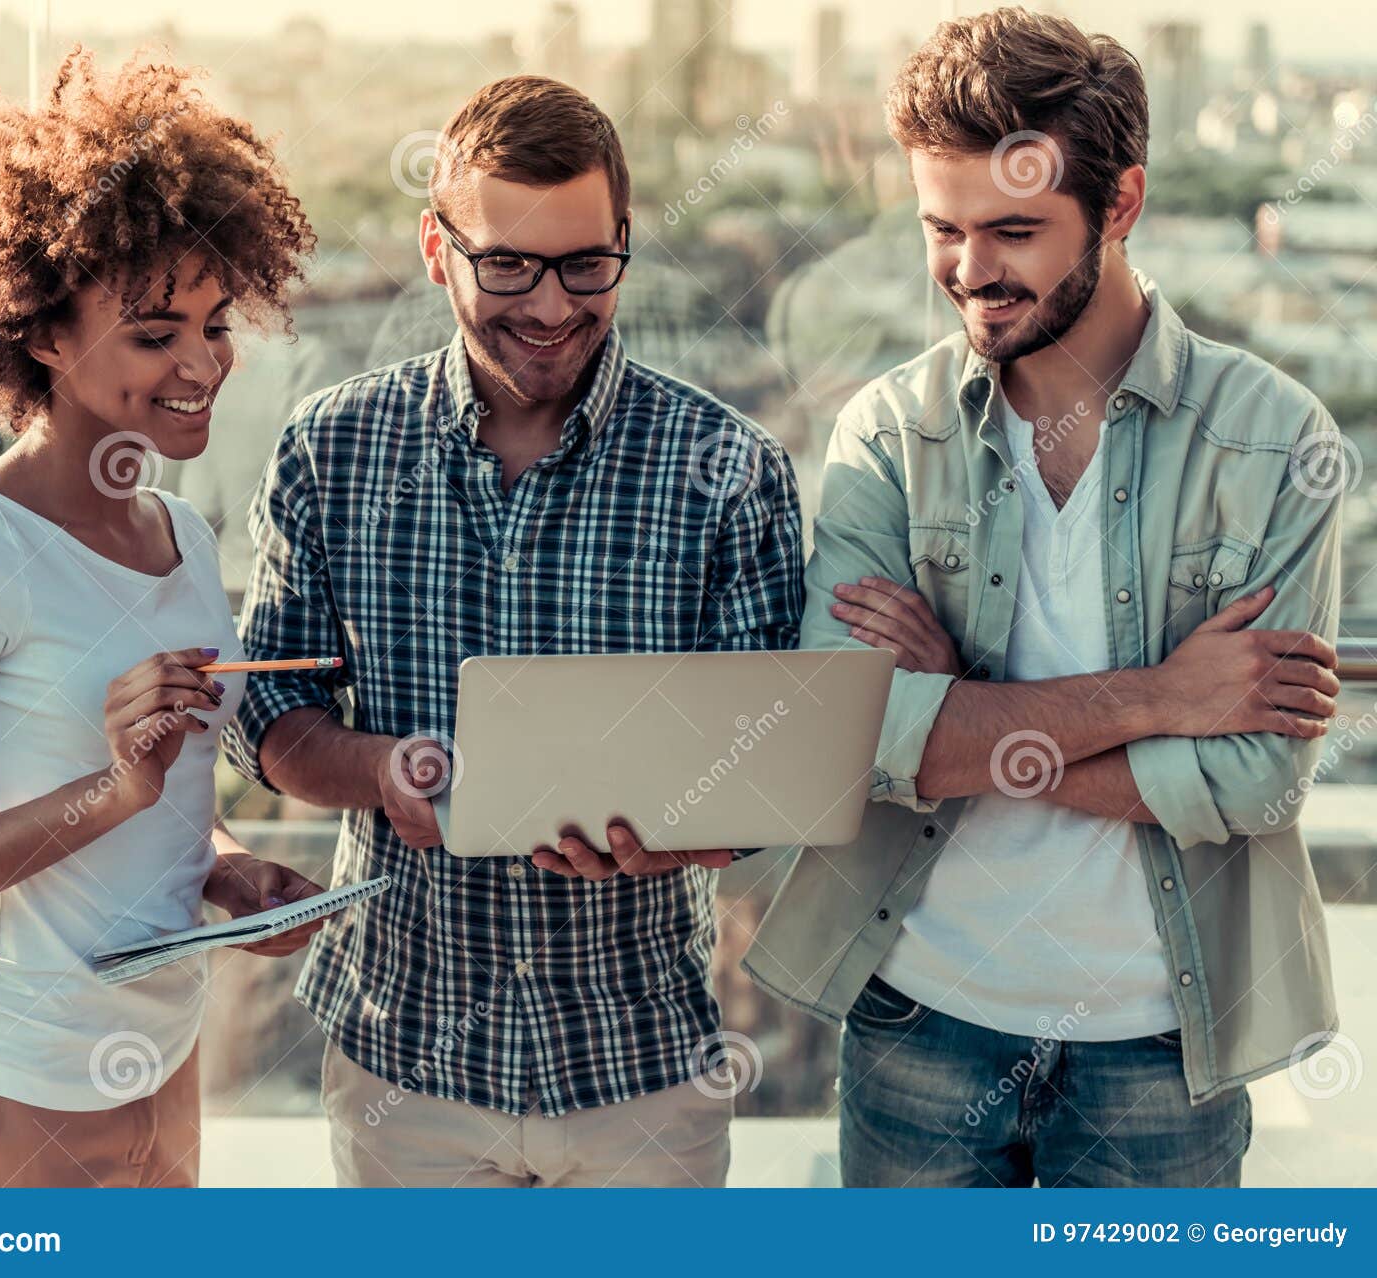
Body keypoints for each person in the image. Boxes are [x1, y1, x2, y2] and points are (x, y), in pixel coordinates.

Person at [744, 7, 1344, 1188]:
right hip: (918, 1018)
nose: (969, 273)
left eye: (1013, 231)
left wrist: (956, 719)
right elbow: (843, 733)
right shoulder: (887, 434)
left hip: (1161, 1049)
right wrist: (1164, 697)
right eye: (942, 228)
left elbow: (1254, 778)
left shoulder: (1275, 442)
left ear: (1118, 205)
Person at [220, 75, 803, 1188]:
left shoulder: (730, 469)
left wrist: (671, 837)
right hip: (406, 1059)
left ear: (625, 243)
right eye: (507, 266)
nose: (548, 306)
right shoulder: (329, 451)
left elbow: (767, 774)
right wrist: (384, 770)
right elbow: (271, 718)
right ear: (437, 250)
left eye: (587, 265)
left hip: (642, 1069)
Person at [0, 47, 320, 1188]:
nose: (202, 363)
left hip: (156, 1062)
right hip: (6, 1084)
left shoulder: (182, 534)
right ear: (43, 332)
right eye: (156, 333)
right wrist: (116, 788)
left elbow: (156, 821)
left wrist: (229, 870)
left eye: (214, 323)